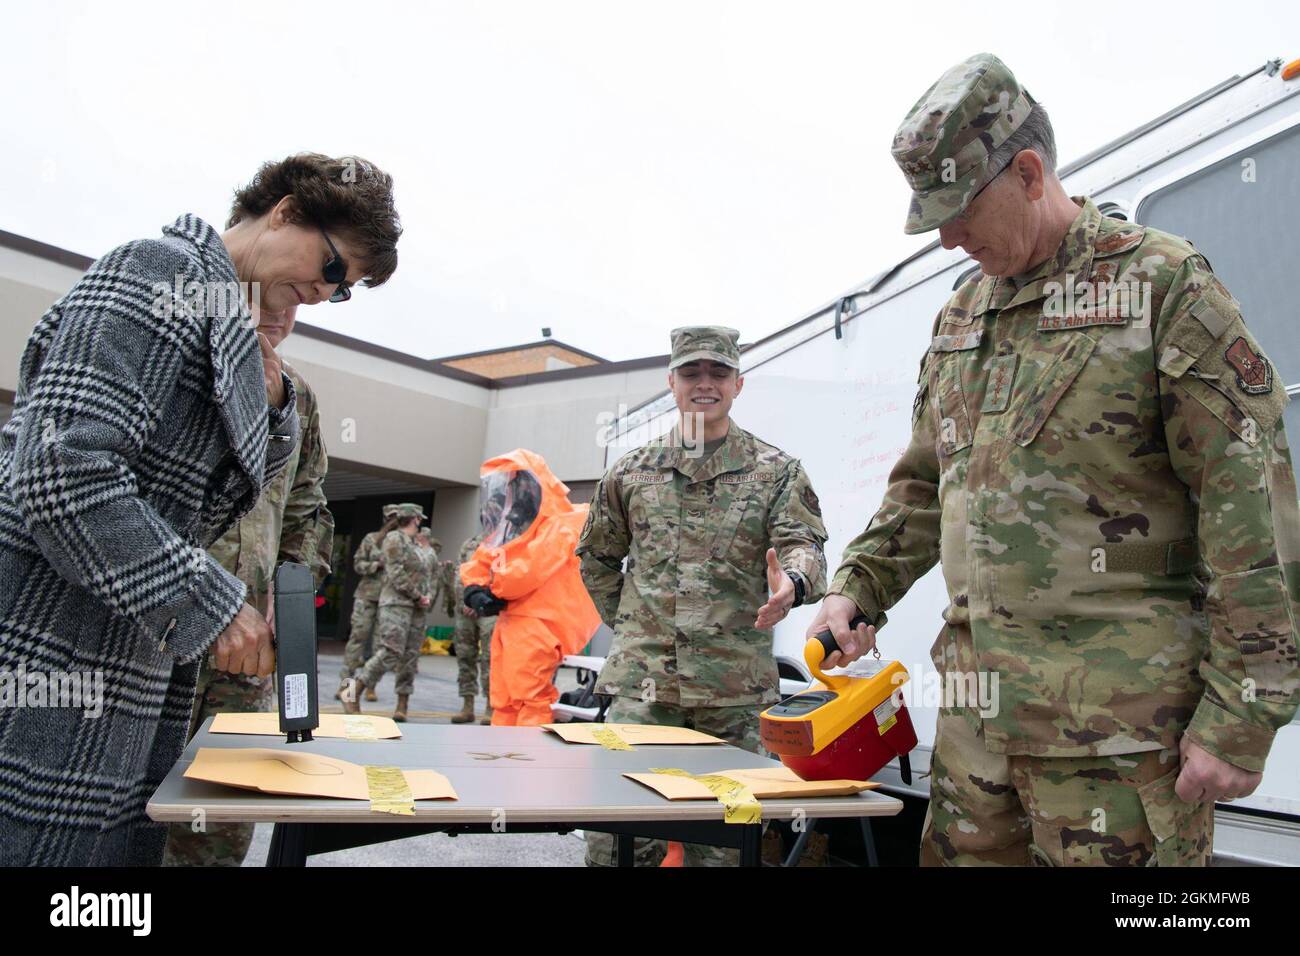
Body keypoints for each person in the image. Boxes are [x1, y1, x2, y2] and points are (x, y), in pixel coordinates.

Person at [808, 53, 1300, 867]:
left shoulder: (1162, 287)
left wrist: (1243, 719)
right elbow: (925, 486)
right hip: (974, 745)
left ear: (1029, 172)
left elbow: (1254, 510)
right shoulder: (963, 316)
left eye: (959, 210)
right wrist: (856, 589)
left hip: (1121, 751)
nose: (946, 238)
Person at [0, 151, 401, 865]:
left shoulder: (224, 319)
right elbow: (63, 472)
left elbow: (227, 498)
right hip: (55, 642)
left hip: (123, 653)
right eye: (335, 268)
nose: (323, 292)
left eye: (344, 292)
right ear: (286, 211)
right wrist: (211, 604)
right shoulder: (160, 272)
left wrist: (269, 396)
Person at [578, 326, 829, 866]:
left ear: (739, 384)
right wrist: (632, 628)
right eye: (691, 372)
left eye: (718, 372)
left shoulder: (776, 471)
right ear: (672, 382)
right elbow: (596, 556)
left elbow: (803, 544)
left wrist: (794, 584)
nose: (705, 383)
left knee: (725, 848)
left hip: (734, 695)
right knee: (618, 839)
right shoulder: (630, 471)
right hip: (642, 692)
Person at [162, 303, 333, 866]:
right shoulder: (172, 363)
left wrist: (293, 596)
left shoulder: (296, 396)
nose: (282, 313)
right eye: (271, 296)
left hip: (249, 650)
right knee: (122, 811)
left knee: (221, 815)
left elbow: (308, 511)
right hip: (157, 631)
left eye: (296, 302)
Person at [460, 449, 600, 726]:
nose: (513, 490)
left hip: (541, 623)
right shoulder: (515, 526)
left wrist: (492, 591)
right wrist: (473, 588)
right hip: (514, 619)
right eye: (510, 483)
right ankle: (501, 756)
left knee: (529, 695)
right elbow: (484, 556)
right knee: (503, 696)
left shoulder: (565, 523)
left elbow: (529, 569)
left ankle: (527, 761)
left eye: (518, 482)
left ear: (536, 484)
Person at [342, 503, 429, 720]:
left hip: (414, 607)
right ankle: (352, 689)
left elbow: (425, 573)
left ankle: (402, 705)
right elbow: (396, 572)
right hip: (393, 602)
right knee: (384, 649)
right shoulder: (391, 539)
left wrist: (424, 597)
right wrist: (418, 595)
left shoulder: (415, 543)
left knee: (408, 656)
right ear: (415, 519)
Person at [339, 503, 399, 701]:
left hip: (388, 599)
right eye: (390, 517)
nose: (393, 522)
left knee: (379, 645)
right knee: (357, 639)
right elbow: (357, 564)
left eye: (396, 518)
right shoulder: (371, 539)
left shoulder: (401, 542)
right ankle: (346, 687)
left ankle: (370, 687)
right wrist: (376, 565)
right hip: (367, 595)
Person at [451, 530, 495, 724]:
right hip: (465, 608)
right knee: (465, 656)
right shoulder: (469, 543)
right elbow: (459, 574)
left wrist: (480, 602)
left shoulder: (504, 542)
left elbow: (503, 576)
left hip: (488, 609)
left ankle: (491, 706)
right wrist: (465, 602)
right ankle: (467, 706)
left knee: (490, 658)